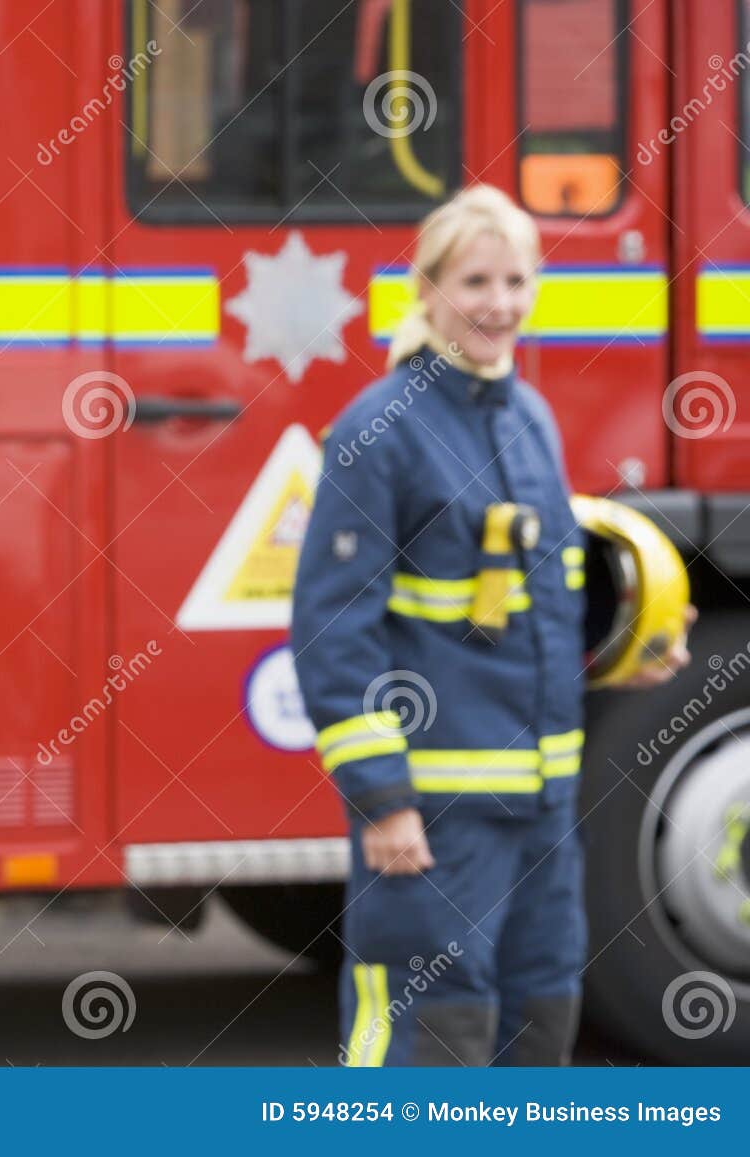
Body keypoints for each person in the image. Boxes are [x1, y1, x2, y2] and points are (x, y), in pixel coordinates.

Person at [291, 184, 689, 1066]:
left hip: (544, 810)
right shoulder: (379, 431)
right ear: (426, 291)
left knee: (539, 1021)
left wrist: (631, 653)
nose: (499, 304)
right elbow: (333, 627)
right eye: (475, 281)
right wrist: (385, 802)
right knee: (430, 1036)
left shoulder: (529, 417)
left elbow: (530, 601)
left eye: (516, 280)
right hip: (437, 816)